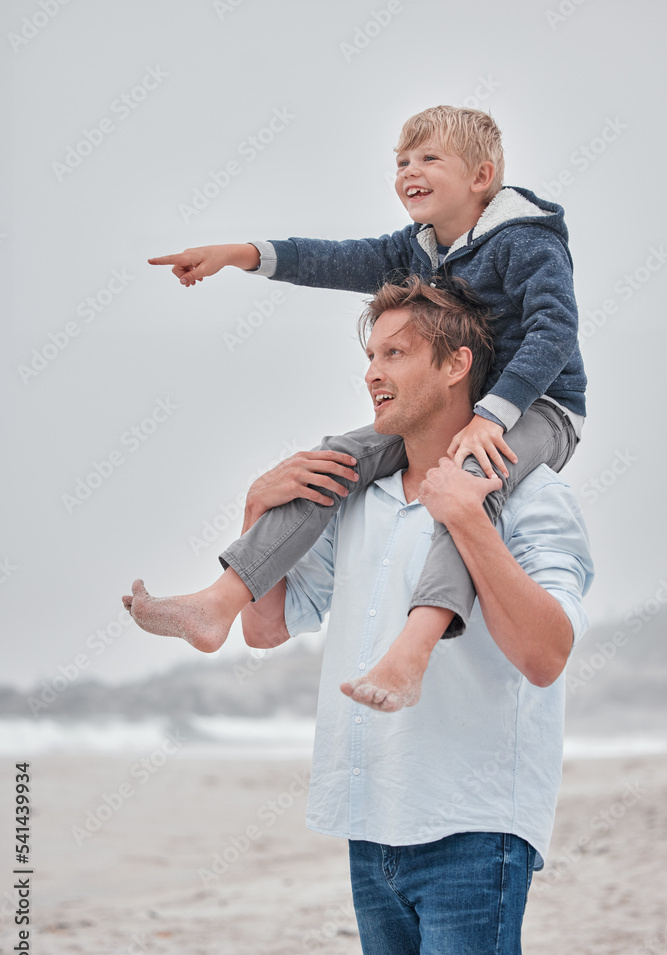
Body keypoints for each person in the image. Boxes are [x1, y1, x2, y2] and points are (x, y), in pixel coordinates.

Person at [128, 104, 586, 713]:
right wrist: (240, 253)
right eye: (401, 162)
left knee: (470, 478)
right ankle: (220, 601)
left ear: (481, 176)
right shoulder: (419, 249)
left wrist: (492, 416)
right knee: (333, 459)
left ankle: (415, 646)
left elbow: (554, 332)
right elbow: (335, 259)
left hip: (542, 408)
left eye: (428, 158)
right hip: (462, 412)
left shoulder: (526, 240)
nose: (409, 171)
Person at [236, 277, 594, 955]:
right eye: (370, 356)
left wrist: (465, 517)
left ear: (457, 364)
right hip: (370, 822)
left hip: (474, 827)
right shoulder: (355, 499)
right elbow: (265, 628)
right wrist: (255, 511)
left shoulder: (535, 495)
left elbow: (546, 654)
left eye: (394, 353)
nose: (373, 372)